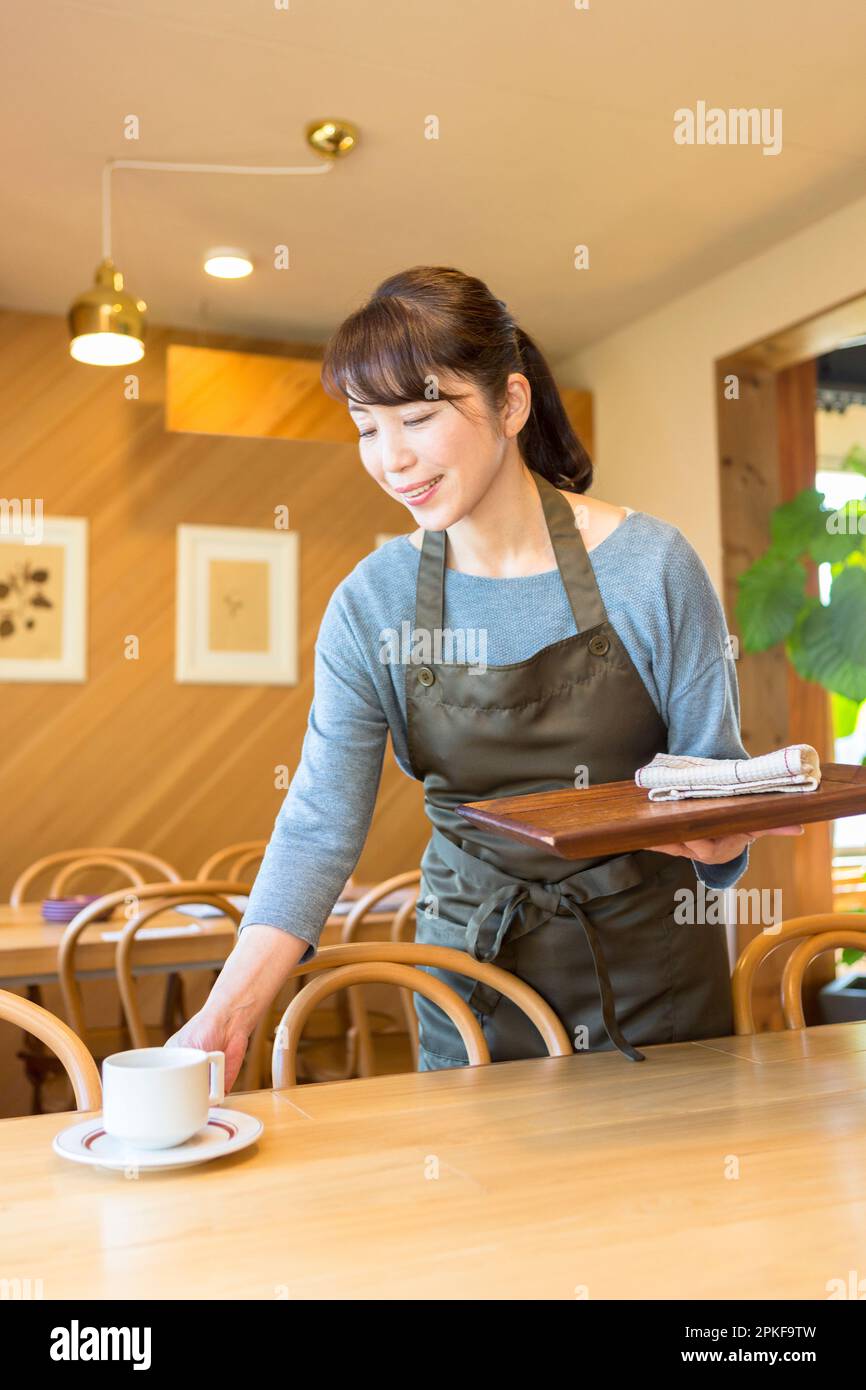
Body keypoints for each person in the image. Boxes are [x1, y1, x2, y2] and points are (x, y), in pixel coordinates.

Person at [167, 265, 803, 1087]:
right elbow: (320, 823)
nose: (391, 459)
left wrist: (720, 841)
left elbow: (711, 783)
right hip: (470, 984)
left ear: (510, 403)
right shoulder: (374, 603)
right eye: (366, 428)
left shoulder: (651, 569)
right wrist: (230, 1011)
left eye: (420, 417)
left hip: (655, 985)